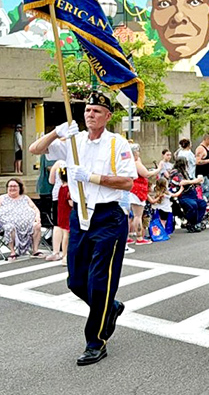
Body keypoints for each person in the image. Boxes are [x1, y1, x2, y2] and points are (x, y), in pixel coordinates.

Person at [28, 92, 136, 366]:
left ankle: (95, 341)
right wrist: (55, 133)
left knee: (100, 283)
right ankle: (111, 308)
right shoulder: (73, 141)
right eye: (88, 110)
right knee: (75, 281)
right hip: (80, 216)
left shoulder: (117, 143)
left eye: (97, 111)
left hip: (108, 217)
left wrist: (91, 177)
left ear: (108, 116)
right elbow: (35, 150)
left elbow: (127, 182)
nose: (90, 115)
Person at [0, 178, 43, 261]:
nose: (12, 188)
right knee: (10, 227)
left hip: (27, 224)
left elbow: (35, 208)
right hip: (7, 224)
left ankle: (35, 250)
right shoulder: (2, 198)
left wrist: (38, 217)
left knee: (37, 225)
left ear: (20, 187)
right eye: (10, 186)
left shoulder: (25, 198)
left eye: (15, 186)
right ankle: (12, 252)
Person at [129, 144, 161, 245]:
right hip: (137, 190)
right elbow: (146, 174)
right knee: (137, 215)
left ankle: (127, 237)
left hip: (131, 189)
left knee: (129, 216)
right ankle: (139, 237)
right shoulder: (135, 162)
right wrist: (158, 169)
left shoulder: (127, 162)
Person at [168, 157, 206, 232]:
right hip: (182, 195)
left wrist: (197, 182)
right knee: (193, 205)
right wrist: (194, 181)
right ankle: (191, 222)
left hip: (191, 194)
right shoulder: (175, 172)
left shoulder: (185, 172)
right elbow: (182, 182)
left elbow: (189, 181)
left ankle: (197, 223)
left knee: (202, 204)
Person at [46, 168, 71, 263]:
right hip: (68, 213)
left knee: (64, 232)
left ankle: (61, 254)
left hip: (61, 211)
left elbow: (51, 181)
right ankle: (65, 256)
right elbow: (70, 203)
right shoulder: (68, 189)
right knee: (67, 235)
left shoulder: (61, 187)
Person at [195, 133, 209, 202]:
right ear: (206, 139)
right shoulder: (201, 149)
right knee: (206, 196)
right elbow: (197, 161)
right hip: (203, 176)